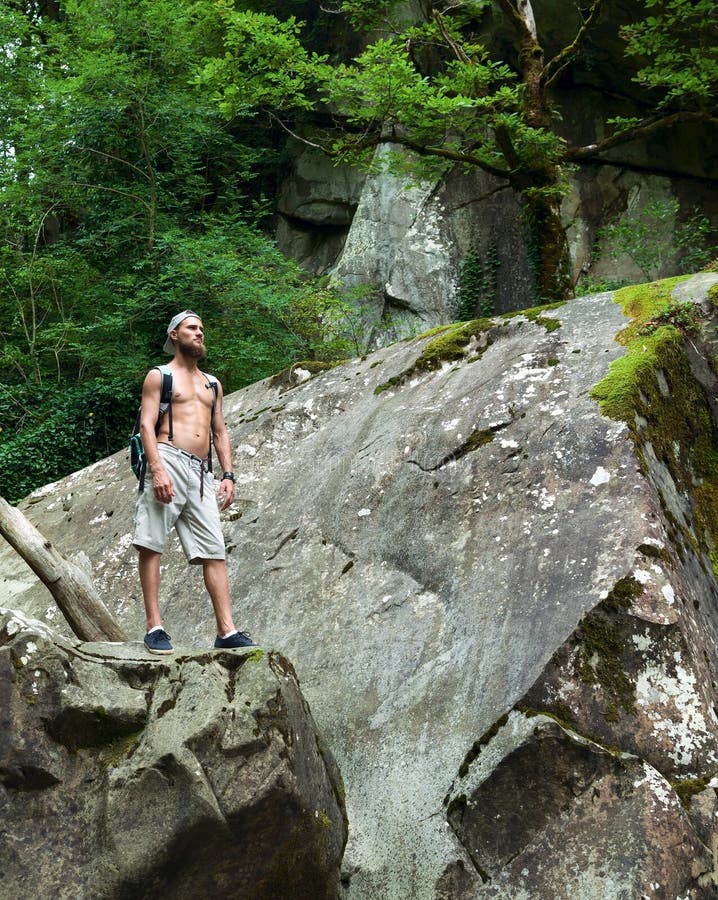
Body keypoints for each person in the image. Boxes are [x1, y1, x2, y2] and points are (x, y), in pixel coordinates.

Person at [133, 310, 256, 654]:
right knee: (152, 541)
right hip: (168, 456)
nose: (199, 333)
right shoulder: (160, 376)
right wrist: (156, 468)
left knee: (214, 550)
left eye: (202, 328)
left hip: (202, 472)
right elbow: (146, 424)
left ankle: (226, 631)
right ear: (174, 335)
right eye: (191, 328)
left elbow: (220, 431)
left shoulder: (211, 384)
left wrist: (228, 475)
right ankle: (154, 626)